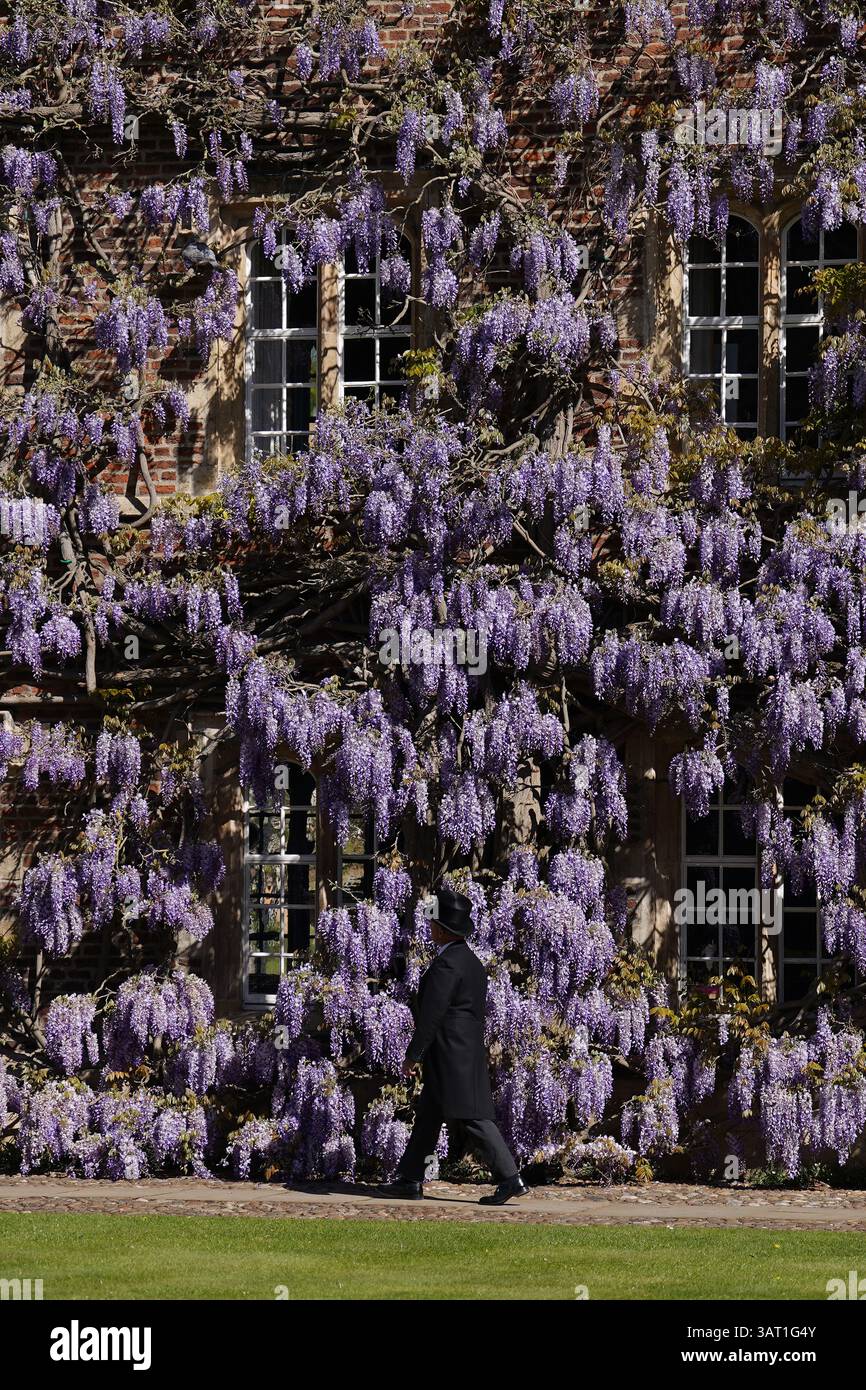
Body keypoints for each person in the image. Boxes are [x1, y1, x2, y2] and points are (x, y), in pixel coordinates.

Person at [382, 885, 528, 1205]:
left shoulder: (447, 965)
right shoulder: (472, 962)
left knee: (472, 1116)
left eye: (435, 925)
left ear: (445, 930)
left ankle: (509, 1177)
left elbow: (432, 1015)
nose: (431, 929)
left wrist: (413, 1054)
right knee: (429, 1117)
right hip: (463, 1049)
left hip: (451, 1053)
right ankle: (410, 1178)